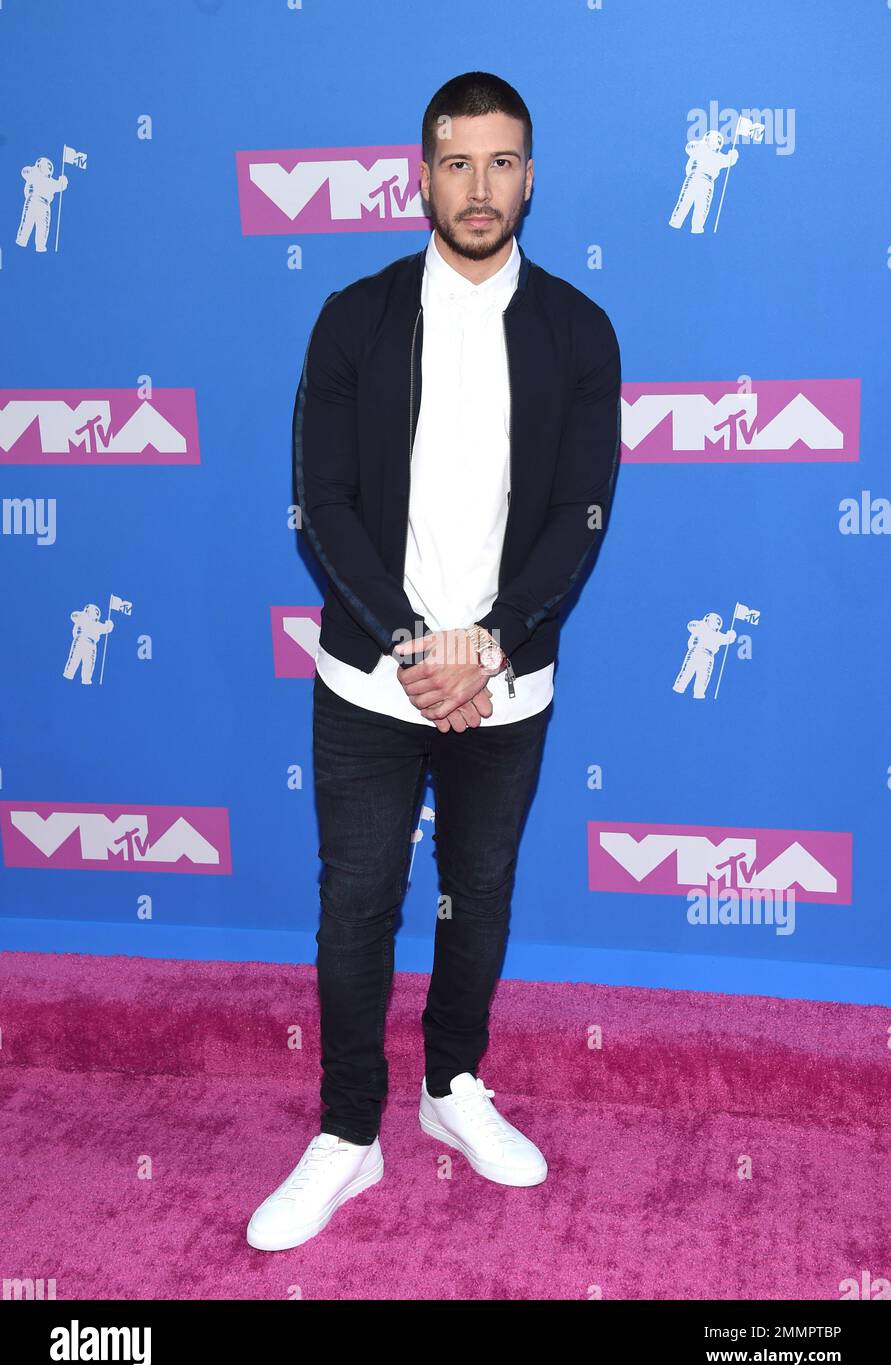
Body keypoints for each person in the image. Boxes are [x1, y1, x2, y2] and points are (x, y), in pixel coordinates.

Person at [247, 71, 622, 1251]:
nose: (480, 187)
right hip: (373, 676)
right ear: (421, 173)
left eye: (503, 162)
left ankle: (452, 1088)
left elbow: (582, 512)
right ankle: (348, 1134)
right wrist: (414, 648)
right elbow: (324, 506)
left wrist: (492, 649)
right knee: (355, 903)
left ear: (530, 175)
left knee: (480, 897)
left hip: (508, 680)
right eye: (457, 162)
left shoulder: (578, 330)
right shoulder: (354, 318)